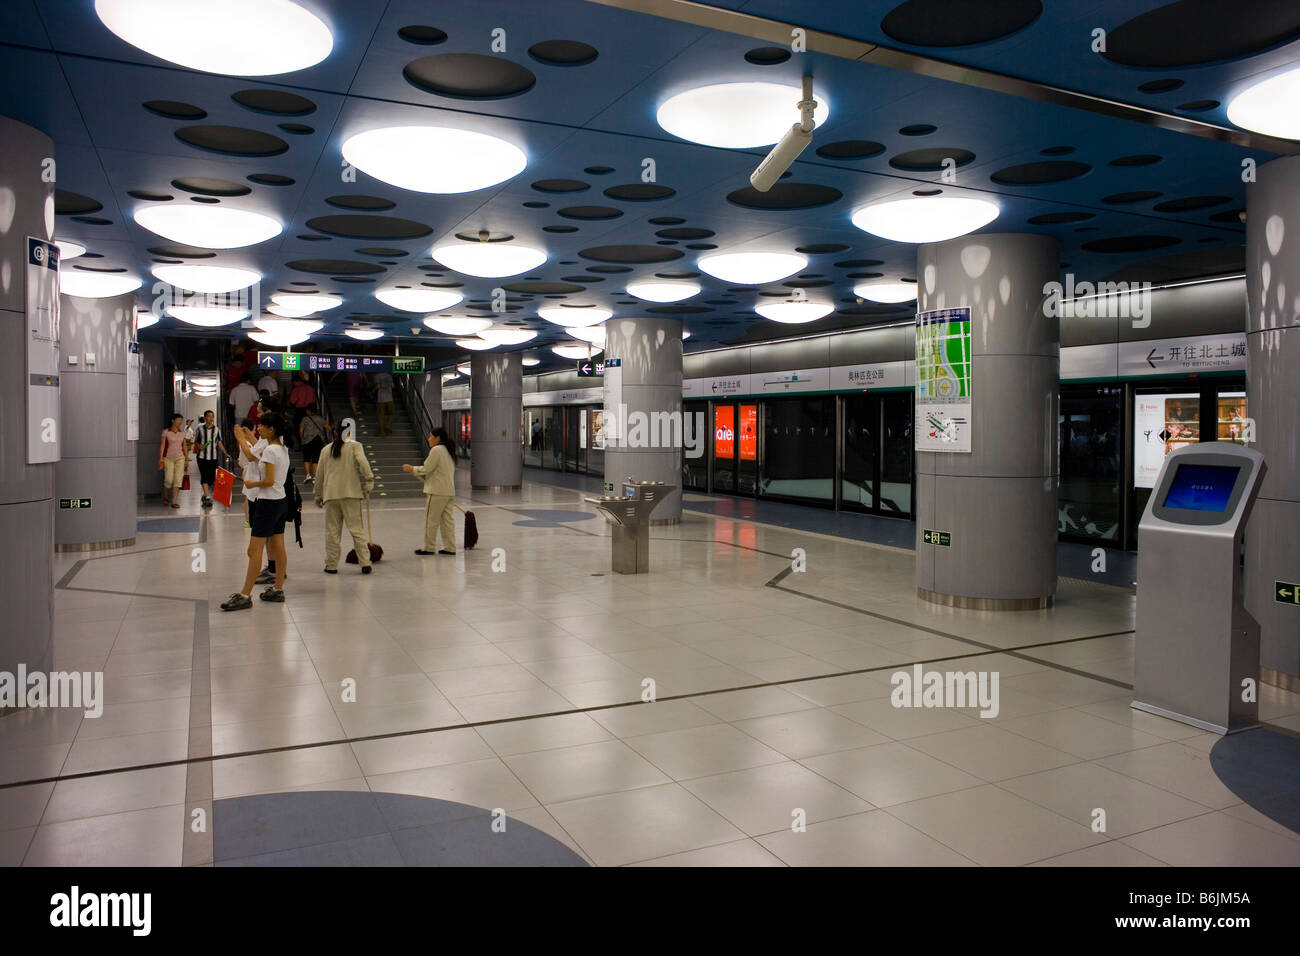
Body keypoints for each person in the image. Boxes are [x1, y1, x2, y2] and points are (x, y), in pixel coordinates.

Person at [222, 413, 290, 611]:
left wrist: (252, 483)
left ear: (272, 429)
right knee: (279, 546)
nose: (258, 428)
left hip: (267, 503)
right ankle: (278, 589)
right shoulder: (282, 448)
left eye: (262, 426)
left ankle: (244, 595)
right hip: (280, 501)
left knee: (254, 550)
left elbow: (268, 481)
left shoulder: (269, 451)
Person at [315, 420, 374, 575]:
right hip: (351, 495)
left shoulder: (326, 450)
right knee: (357, 530)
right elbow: (363, 462)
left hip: (330, 496)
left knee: (332, 532)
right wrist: (369, 479)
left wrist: (318, 495)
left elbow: (319, 475)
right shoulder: (355, 446)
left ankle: (331, 565)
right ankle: (365, 563)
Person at [403, 426, 456, 556]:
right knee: (447, 521)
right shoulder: (449, 451)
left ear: (437, 438)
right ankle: (450, 547)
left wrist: (412, 469)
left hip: (437, 491)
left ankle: (429, 547)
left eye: (431, 436)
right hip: (448, 491)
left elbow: (427, 469)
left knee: (431, 520)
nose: (429, 439)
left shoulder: (437, 450)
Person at [192, 409, 229, 509]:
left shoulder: (217, 430)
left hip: (213, 457)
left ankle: (205, 495)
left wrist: (225, 452)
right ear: (205, 418)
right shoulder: (200, 429)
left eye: (212, 416)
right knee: (204, 475)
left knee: (212, 477)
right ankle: (207, 496)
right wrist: (200, 446)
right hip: (202, 457)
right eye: (208, 416)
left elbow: (219, 442)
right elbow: (196, 441)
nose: (211, 418)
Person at [157, 413, 187, 509]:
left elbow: (185, 446)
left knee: (178, 480)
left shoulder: (182, 433)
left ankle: (174, 501)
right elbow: (162, 445)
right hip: (168, 458)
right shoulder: (166, 432)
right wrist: (161, 458)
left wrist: (186, 459)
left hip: (180, 458)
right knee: (168, 479)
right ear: (173, 421)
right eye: (178, 420)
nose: (180, 422)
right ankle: (165, 495)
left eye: (181, 420)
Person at [298, 402, 329, 483]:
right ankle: (315, 477)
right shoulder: (320, 418)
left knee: (306, 458)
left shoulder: (305, 419)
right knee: (316, 459)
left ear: (308, 410)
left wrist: (302, 439)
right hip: (318, 440)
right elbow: (328, 427)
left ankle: (308, 475)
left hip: (307, 440)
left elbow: (301, 430)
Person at [287, 371, 316, 443]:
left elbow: (292, 401)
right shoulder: (310, 388)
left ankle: (301, 444)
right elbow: (314, 400)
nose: (293, 384)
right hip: (310, 410)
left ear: (296, 382)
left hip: (300, 411)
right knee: (309, 427)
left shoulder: (296, 389)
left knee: (298, 427)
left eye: (293, 383)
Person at [373, 370, 395, 437]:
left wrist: (373, 390)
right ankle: (388, 425)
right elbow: (393, 386)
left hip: (381, 399)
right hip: (389, 398)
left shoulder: (377, 376)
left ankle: (382, 432)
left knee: (381, 415)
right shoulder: (389, 375)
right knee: (392, 413)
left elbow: (378, 387)